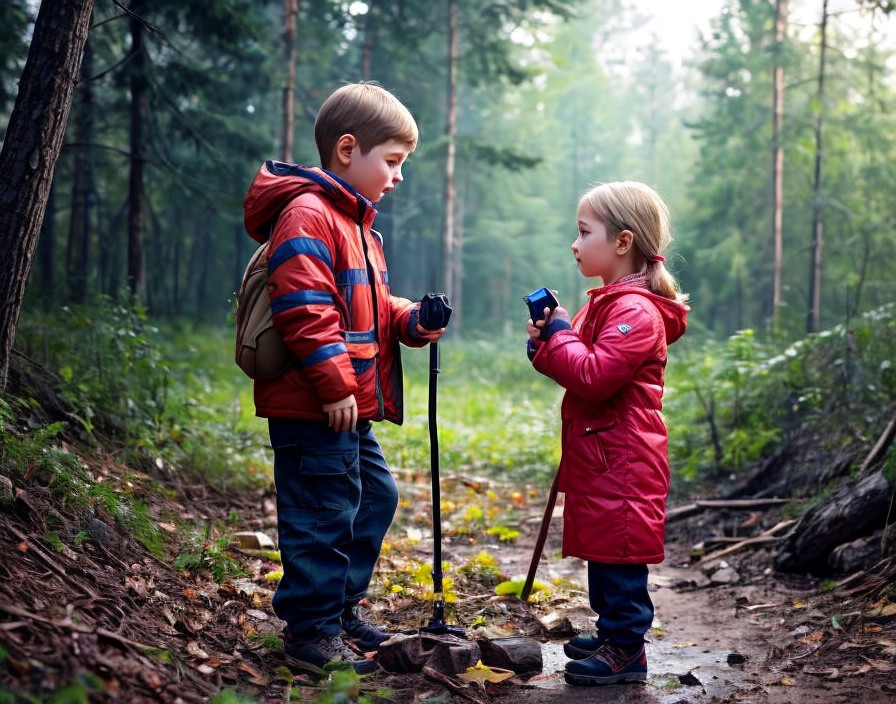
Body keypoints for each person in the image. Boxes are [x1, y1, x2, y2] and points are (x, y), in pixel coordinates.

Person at [242, 83, 446, 676]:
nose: (398, 176)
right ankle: (310, 630)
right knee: (325, 511)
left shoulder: (354, 223)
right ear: (347, 150)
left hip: (344, 406)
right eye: (392, 161)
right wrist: (334, 384)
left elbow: (370, 306)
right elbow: (305, 307)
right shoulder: (308, 214)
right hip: (316, 404)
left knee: (373, 497)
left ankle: (339, 610)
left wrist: (411, 320)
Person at [525, 181, 689, 686]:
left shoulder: (635, 312)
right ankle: (611, 633)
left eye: (583, 232)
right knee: (604, 547)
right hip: (604, 451)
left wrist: (558, 338)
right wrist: (548, 341)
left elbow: (593, 376)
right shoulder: (606, 303)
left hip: (624, 454)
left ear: (622, 241)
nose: (574, 244)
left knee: (621, 553)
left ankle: (626, 650)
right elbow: (574, 361)